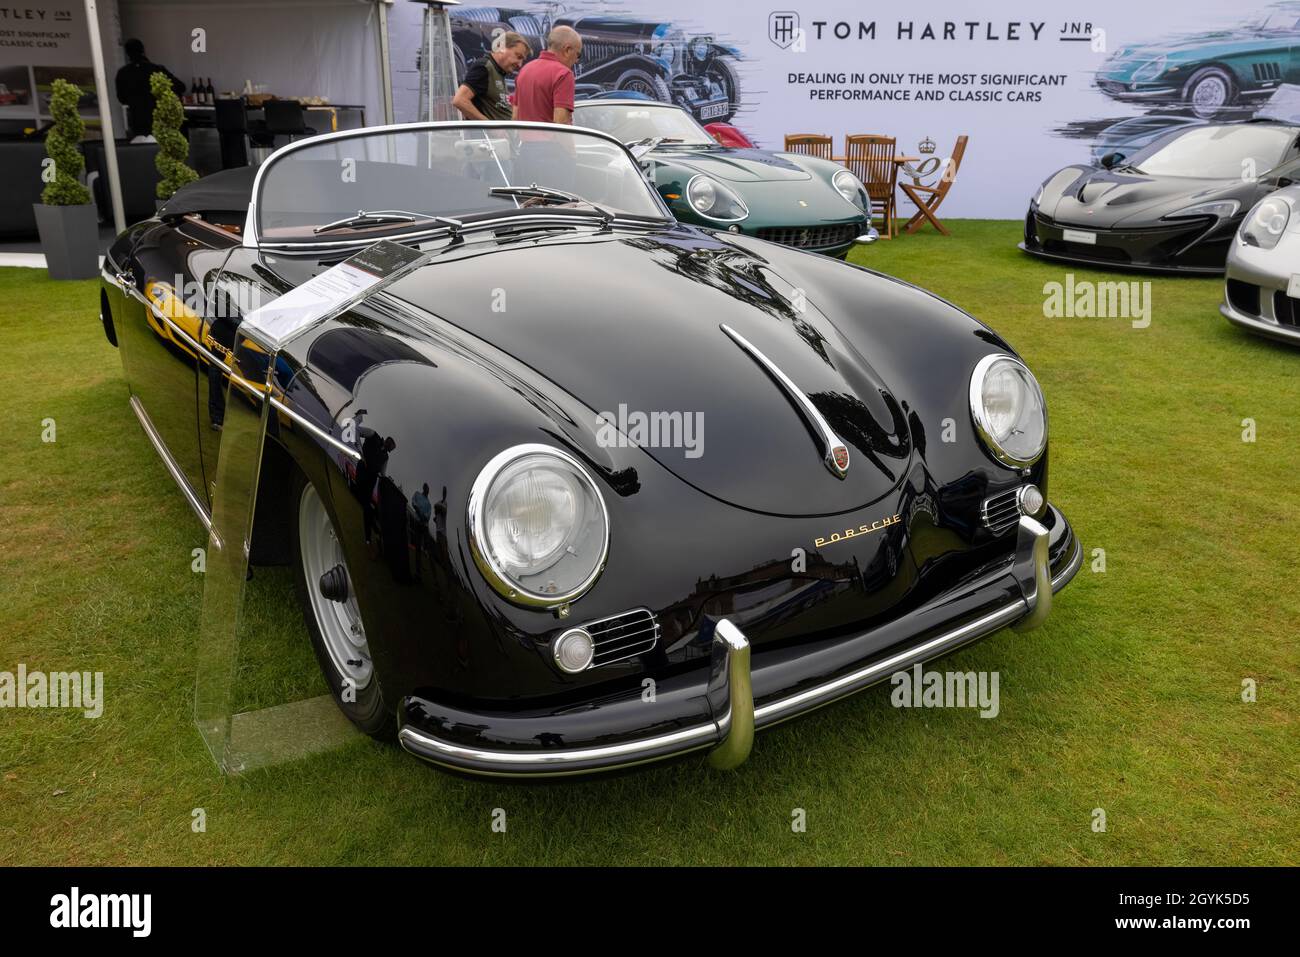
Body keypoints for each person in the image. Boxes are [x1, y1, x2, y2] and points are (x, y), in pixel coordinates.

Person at [114, 39, 186, 142]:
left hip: (137, 121)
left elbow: (122, 99)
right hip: (159, 119)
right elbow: (181, 87)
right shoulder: (156, 69)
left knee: (142, 153)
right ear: (143, 51)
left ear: (127, 54)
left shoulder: (122, 73)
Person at [452, 32, 531, 121]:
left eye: (522, 60)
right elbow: (459, 100)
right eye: (518, 56)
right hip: (485, 134)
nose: (520, 64)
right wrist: (490, 127)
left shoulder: (498, 71)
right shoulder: (484, 67)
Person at [510, 25, 581, 124]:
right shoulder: (564, 74)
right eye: (578, 55)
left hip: (524, 139)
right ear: (567, 50)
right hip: (552, 139)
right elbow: (561, 123)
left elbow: (515, 117)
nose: (577, 60)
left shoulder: (525, 70)